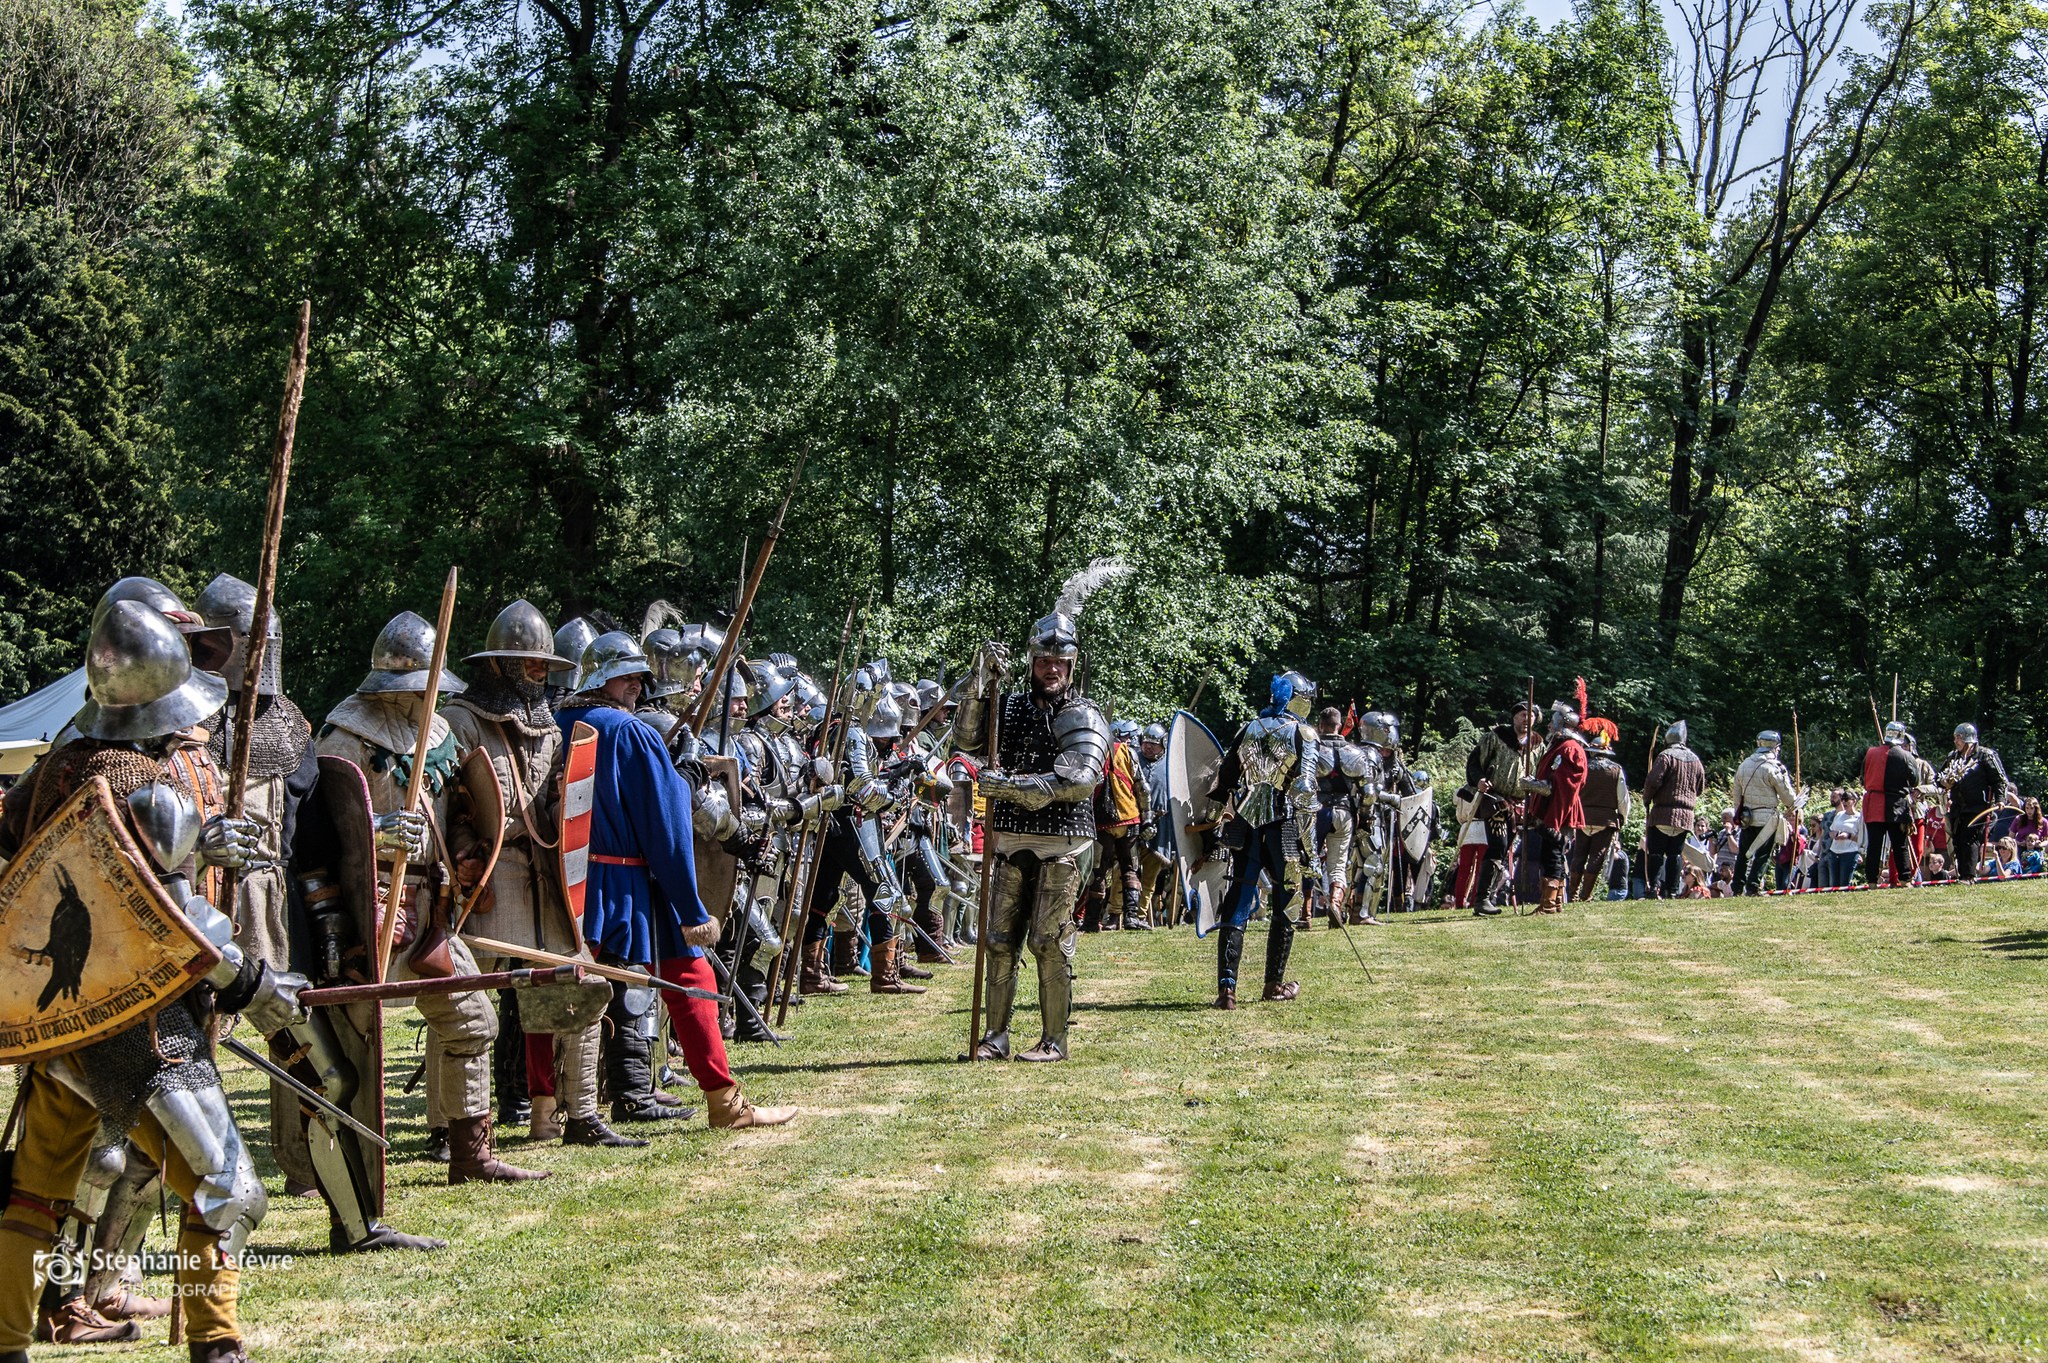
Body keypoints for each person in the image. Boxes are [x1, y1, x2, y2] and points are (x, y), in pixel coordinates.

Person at [1, 600, 306, 1363]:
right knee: (229, 1187)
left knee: (35, 1197)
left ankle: (6, 1340)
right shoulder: (143, 782)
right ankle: (217, 1347)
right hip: (141, 1027)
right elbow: (175, 920)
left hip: (58, 1025)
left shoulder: (48, 773)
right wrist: (255, 985)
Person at [194, 575, 450, 1252]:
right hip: (197, 916)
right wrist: (198, 841)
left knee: (328, 1071)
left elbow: (315, 832)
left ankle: (355, 1222)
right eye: (248, 642)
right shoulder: (174, 722)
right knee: (179, 1078)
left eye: (264, 641)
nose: (258, 654)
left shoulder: (288, 726)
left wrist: (378, 835)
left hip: (277, 919)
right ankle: (105, 1271)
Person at [316, 611, 549, 1182]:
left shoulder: (441, 736)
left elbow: (465, 813)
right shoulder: (345, 737)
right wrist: (375, 832)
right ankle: (322, 1163)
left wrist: (468, 850)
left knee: (472, 1018)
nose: (423, 699)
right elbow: (316, 831)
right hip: (367, 908)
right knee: (347, 1040)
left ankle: (470, 1154)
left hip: (431, 910)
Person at [555, 631, 795, 1126]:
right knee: (681, 976)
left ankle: (546, 1105)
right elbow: (666, 827)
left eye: (641, 678)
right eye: (628, 678)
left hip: (564, 879)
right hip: (629, 884)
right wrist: (690, 905)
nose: (637, 688)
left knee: (563, 990)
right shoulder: (631, 732)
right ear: (604, 677)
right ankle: (715, 1101)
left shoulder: (559, 723)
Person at [447, 600, 639, 1148]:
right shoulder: (461, 722)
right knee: (465, 995)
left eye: (543, 666)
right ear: (499, 665)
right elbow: (447, 805)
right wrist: (461, 852)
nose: (538, 674)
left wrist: (561, 804)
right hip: (489, 871)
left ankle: (575, 1115)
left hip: (545, 870)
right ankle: (455, 1126)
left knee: (578, 984)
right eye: (528, 664)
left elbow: (563, 809)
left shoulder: (550, 729)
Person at [953, 566, 1115, 1061]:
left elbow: (1080, 778)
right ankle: (996, 1036)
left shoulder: (1082, 714)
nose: (1051, 669)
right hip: (1010, 841)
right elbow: (966, 740)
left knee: (1048, 941)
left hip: (1064, 841)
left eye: (1059, 662)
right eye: (1044, 660)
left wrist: (1014, 787)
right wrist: (981, 687)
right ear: (1032, 661)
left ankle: (1054, 1039)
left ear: (1072, 664)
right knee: (999, 940)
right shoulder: (1014, 705)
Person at [1206, 672, 1321, 1004]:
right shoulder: (1304, 733)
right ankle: (1273, 986)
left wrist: (1214, 824)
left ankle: (1227, 990)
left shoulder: (1249, 728)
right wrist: (1310, 852)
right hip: (1283, 825)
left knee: (1239, 900)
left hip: (1245, 822)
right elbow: (1305, 789)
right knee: (1287, 902)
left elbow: (1226, 778)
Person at [1462, 702, 1542, 915]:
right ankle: (1481, 900)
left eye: (1530, 716)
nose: (1526, 719)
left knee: (1506, 848)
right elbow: (1473, 763)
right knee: (1498, 844)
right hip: (1494, 799)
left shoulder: (1537, 744)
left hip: (1518, 803)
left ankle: (1488, 898)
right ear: (1514, 717)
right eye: (1522, 715)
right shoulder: (1495, 737)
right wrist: (1479, 780)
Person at [1082, 718, 1147, 931]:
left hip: (1102, 821)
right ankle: (1131, 918)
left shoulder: (1095, 751)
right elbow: (1142, 788)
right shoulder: (1128, 752)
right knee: (1130, 868)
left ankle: (1092, 921)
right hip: (1129, 818)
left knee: (1098, 872)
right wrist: (1147, 817)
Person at [1527, 700, 1587, 915]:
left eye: (1554, 720)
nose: (1550, 725)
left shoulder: (1571, 749)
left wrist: (1536, 785)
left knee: (1553, 854)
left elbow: (1565, 784)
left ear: (1563, 723)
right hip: (1551, 807)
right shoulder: (1560, 747)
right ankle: (1553, 902)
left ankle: (1549, 904)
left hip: (1560, 809)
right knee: (1551, 854)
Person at [1939, 724, 2015, 882]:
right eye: (1955, 738)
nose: (1956, 741)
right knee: (1958, 839)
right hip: (1958, 807)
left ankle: (1968, 876)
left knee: (1969, 839)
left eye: (1958, 738)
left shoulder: (1986, 755)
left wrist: (2000, 799)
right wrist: (1944, 783)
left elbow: (2000, 781)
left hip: (1979, 808)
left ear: (1968, 739)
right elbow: (1940, 777)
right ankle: (1962, 874)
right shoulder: (1953, 757)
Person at [1729, 730, 1801, 896]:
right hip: (1767, 819)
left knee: (1744, 854)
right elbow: (1787, 796)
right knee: (1762, 855)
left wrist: (1738, 813)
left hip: (1747, 817)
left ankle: (1737, 888)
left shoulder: (1744, 764)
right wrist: (1795, 802)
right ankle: (1753, 887)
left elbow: (1736, 795)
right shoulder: (1774, 767)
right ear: (1775, 747)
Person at [1641, 722, 1706, 899]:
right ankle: (1672, 890)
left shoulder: (1665, 756)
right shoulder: (1695, 759)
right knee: (1675, 854)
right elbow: (1700, 788)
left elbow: (1653, 782)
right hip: (1685, 816)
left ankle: (1653, 888)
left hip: (1662, 813)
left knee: (1655, 852)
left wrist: (1647, 799)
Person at [1567, 719, 1627, 903]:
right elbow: (1622, 798)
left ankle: (1573, 894)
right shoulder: (1616, 770)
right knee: (1597, 857)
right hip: (1605, 820)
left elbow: (1574, 792)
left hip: (1582, 817)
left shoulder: (1582, 768)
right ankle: (1585, 895)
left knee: (1579, 855)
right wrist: (1623, 817)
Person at [1860, 721, 1919, 886]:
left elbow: (1863, 779)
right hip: (1896, 805)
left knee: (1875, 845)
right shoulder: (1906, 756)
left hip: (1874, 804)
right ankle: (1905, 879)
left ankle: (1872, 881)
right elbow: (1915, 779)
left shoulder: (1870, 753)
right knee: (1900, 844)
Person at [1824, 790, 1863, 887]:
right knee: (1834, 883)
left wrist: (1848, 836)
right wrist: (1833, 834)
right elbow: (1831, 830)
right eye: (1843, 800)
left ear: (1854, 801)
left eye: (1847, 800)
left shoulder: (1859, 818)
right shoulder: (1839, 815)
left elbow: (1862, 839)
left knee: (1844, 882)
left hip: (1850, 853)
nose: (1844, 802)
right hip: (1835, 851)